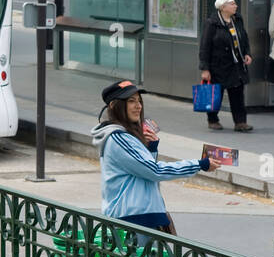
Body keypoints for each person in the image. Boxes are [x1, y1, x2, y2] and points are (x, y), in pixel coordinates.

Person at [91, 79, 218, 234]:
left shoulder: (125, 136)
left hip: (140, 217)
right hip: (131, 221)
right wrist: (199, 164)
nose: (138, 106)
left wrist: (151, 149)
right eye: (131, 101)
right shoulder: (118, 138)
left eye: (139, 101)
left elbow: (142, 172)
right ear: (114, 106)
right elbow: (155, 171)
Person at [199, 0, 253, 132]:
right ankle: (213, 119)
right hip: (218, 65)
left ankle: (240, 122)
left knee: (237, 93)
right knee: (216, 93)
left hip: (236, 65)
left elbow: (244, 38)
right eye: (232, 3)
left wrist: (247, 53)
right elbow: (205, 46)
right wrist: (205, 68)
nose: (235, 6)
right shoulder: (212, 23)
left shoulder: (237, 19)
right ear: (223, 7)